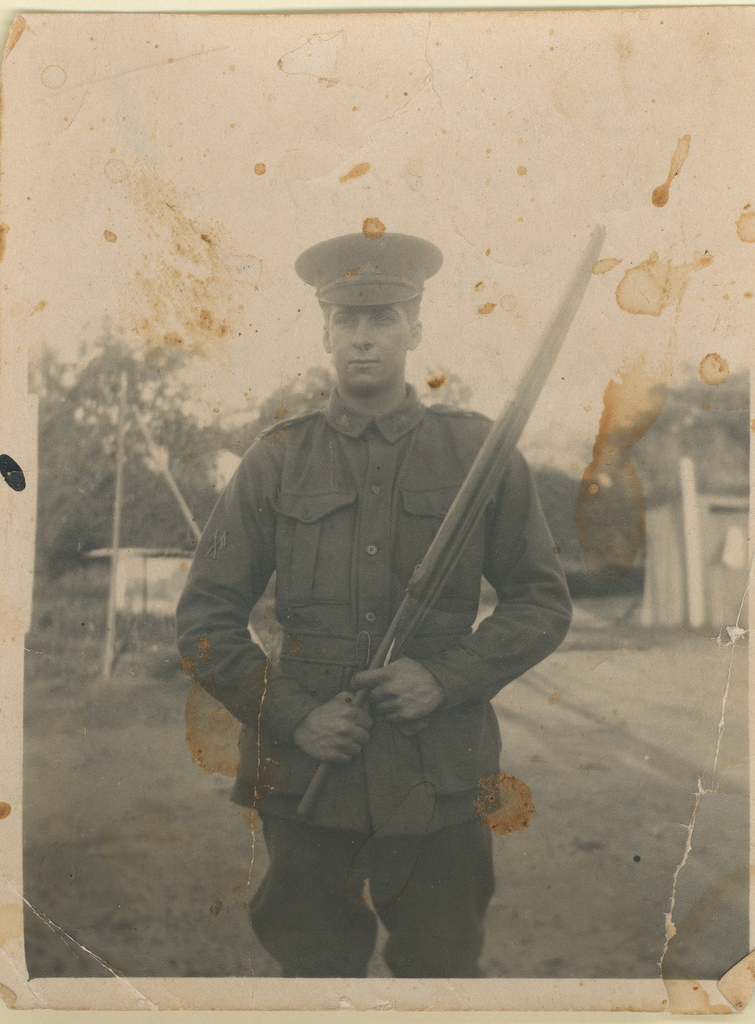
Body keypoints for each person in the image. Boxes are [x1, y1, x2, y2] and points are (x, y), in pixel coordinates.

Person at [176, 230, 572, 978]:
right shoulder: (277, 458)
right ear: (325, 331)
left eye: (382, 319)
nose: (363, 339)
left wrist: (446, 677)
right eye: (347, 321)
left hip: (441, 779)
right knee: (315, 970)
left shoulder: (477, 454)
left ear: (413, 329)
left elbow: (540, 603)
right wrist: (293, 715)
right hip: (306, 777)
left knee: (443, 968)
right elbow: (203, 622)